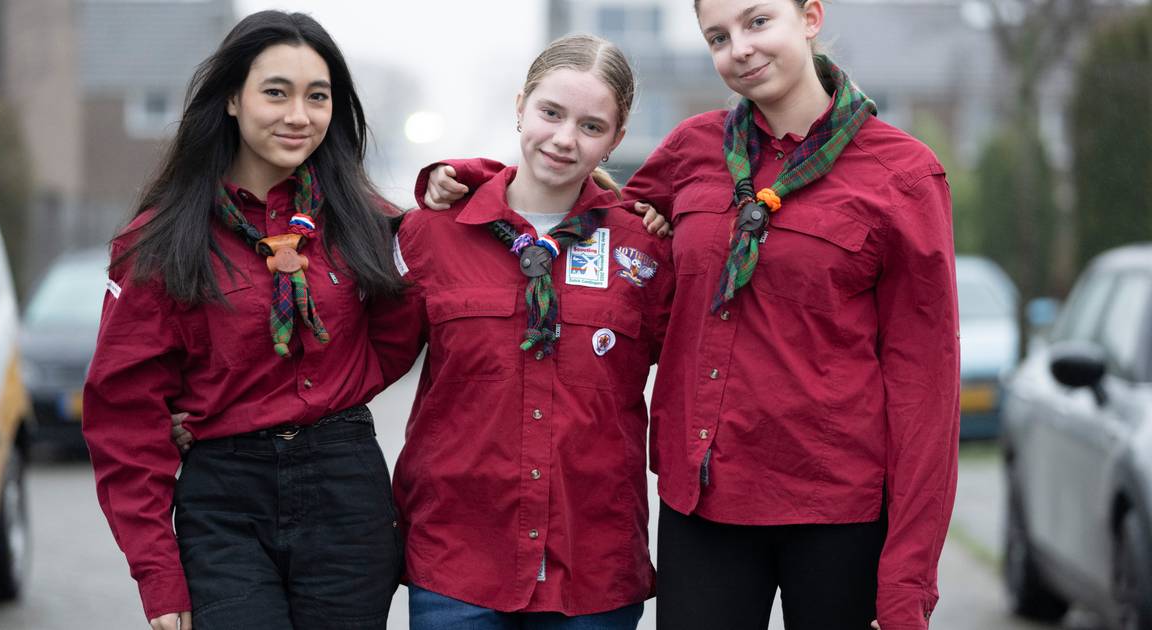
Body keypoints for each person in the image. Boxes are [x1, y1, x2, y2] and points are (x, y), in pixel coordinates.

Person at [423, 1, 960, 628]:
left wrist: (907, 586)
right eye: (718, 36)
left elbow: (927, 389)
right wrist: (465, 177)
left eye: (757, 22)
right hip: (701, 505)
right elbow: (579, 202)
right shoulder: (693, 149)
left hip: (836, 510)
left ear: (810, 16)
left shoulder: (905, 176)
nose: (740, 48)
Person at [82, 11, 405, 630]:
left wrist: (333, 388)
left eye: (318, 97)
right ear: (232, 98)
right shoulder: (161, 241)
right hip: (224, 501)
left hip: (346, 495)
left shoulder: (367, 223)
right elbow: (123, 414)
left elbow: (406, 326)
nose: (298, 116)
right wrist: (158, 573)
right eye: (275, 92)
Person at [371, 34, 674, 630]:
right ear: (520, 106)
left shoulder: (647, 248)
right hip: (458, 557)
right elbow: (364, 358)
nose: (564, 139)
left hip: (592, 564)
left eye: (591, 126)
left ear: (615, 139)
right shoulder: (433, 233)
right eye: (551, 113)